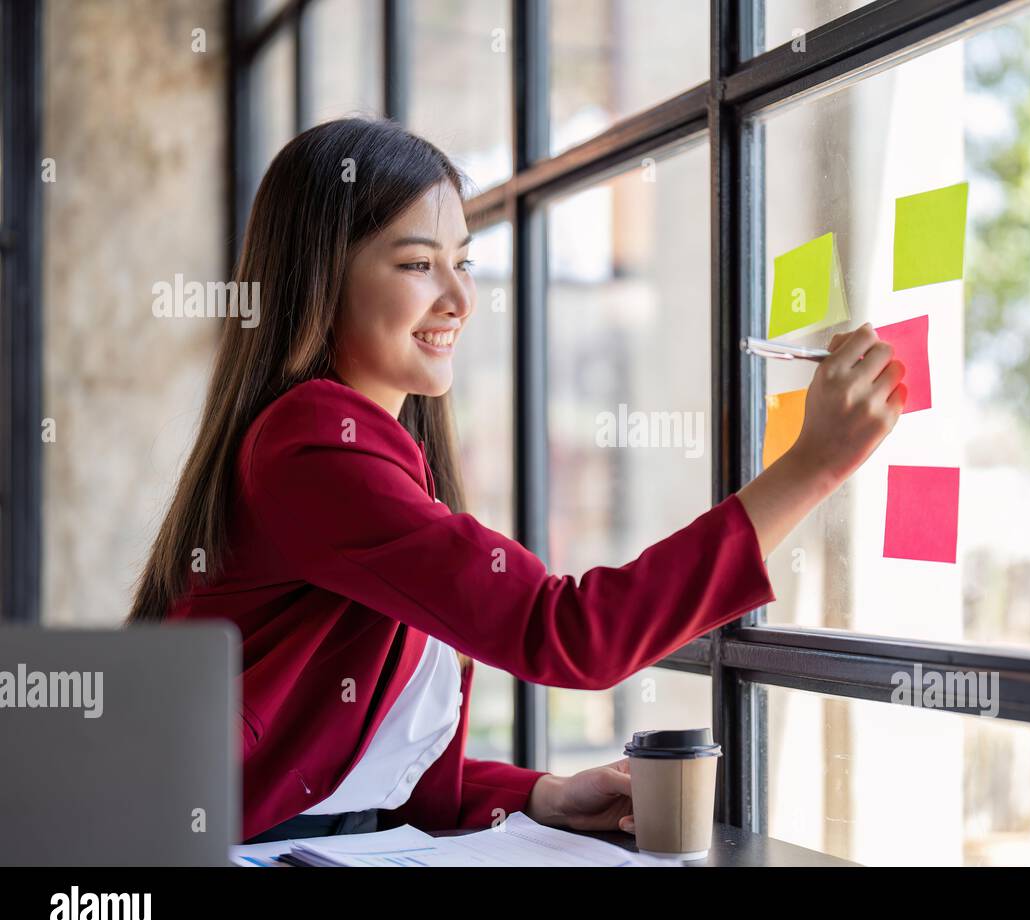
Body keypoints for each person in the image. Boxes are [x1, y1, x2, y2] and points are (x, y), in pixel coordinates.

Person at [127, 117, 906, 845]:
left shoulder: (369, 450)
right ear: (320, 279)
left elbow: (354, 766)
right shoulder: (315, 448)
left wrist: (536, 795)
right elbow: (569, 635)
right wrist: (811, 467)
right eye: (416, 264)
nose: (460, 299)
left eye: (462, 261)